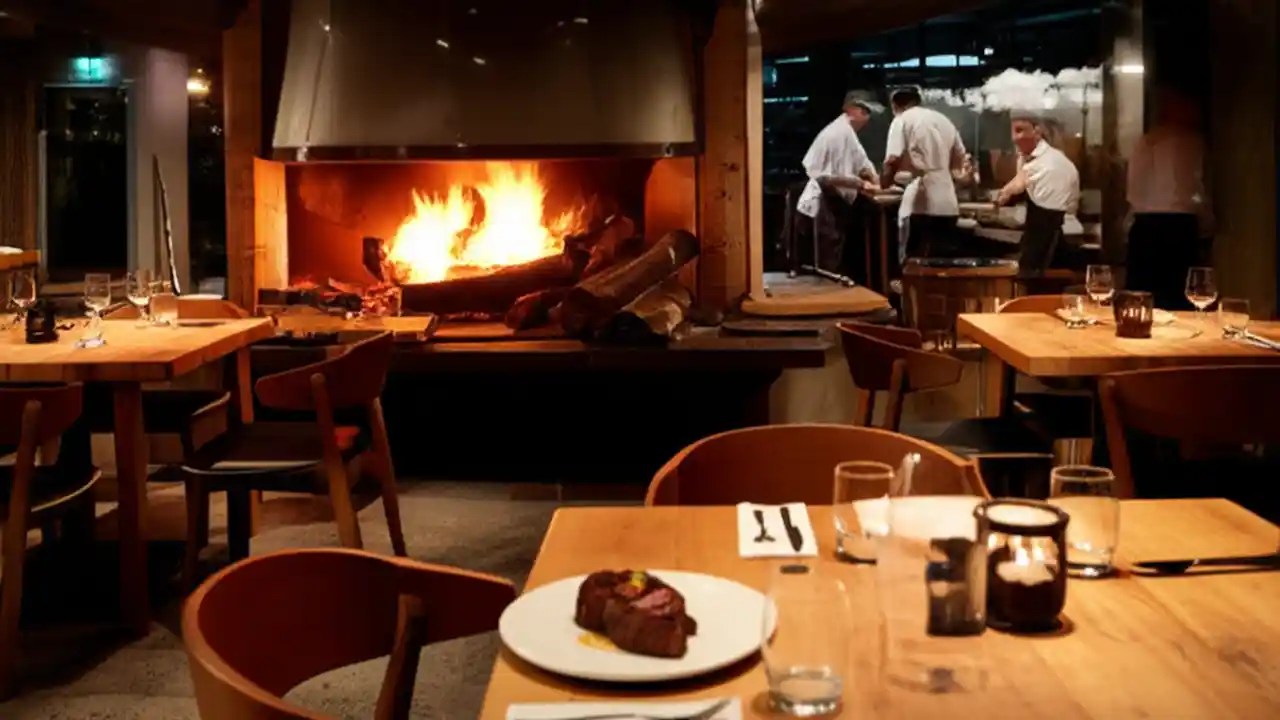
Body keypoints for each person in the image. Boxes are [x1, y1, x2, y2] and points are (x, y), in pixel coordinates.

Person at [1125, 88, 1211, 309]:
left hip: (1145, 227)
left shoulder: (1146, 141)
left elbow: (1132, 189)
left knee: (1142, 300)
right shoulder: (1191, 141)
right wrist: (1207, 220)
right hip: (1177, 227)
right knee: (1178, 299)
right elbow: (1196, 186)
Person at [795, 91, 881, 279]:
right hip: (824, 202)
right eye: (864, 112)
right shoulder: (836, 133)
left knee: (837, 255)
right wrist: (858, 183)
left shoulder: (849, 134)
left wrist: (876, 182)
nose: (867, 119)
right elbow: (822, 177)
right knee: (828, 262)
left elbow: (863, 164)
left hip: (838, 204)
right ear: (850, 109)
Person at [882, 87, 967, 261]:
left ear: (895, 105)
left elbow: (892, 159)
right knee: (943, 266)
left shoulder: (901, 120)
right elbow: (960, 165)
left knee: (916, 265)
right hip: (948, 205)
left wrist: (884, 183)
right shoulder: (945, 121)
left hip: (920, 205)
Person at [995, 113, 1081, 278]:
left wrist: (1027, 271)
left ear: (1037, 131)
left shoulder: (1051, 164)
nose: (1014, 138)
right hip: (1046, 236)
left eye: (1020, 131)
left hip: (1055, 244)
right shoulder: (1030, 159)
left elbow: (1046, 226)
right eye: (1012, 132)